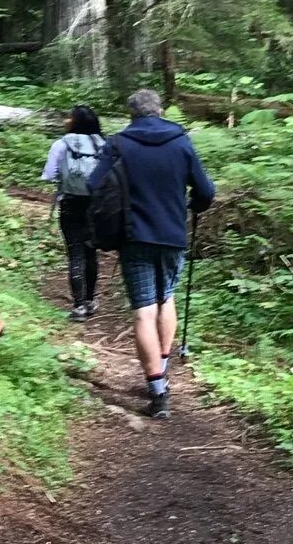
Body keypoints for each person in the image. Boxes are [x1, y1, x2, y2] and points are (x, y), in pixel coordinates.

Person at [88, 87, 214, 419]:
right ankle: (163, 363)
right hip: (172, 234)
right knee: (166, 299)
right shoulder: (181, 141)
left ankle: (157, 389)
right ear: (159, 111)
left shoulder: (117, 143)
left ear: (132, 113)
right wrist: (193, 204)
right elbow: (206, 191)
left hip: (134, 236)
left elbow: (93, 184)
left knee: (144, 311)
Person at [40, 103, 106, 319]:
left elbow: (50, 174)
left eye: (68, 117)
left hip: (70, 203)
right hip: (96, 205)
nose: (65, 120)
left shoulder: (61, 144)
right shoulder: (102, 144)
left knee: (75, 253)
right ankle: (90, 300)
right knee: (91, 253)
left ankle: (78, 306)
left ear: (75, 121)